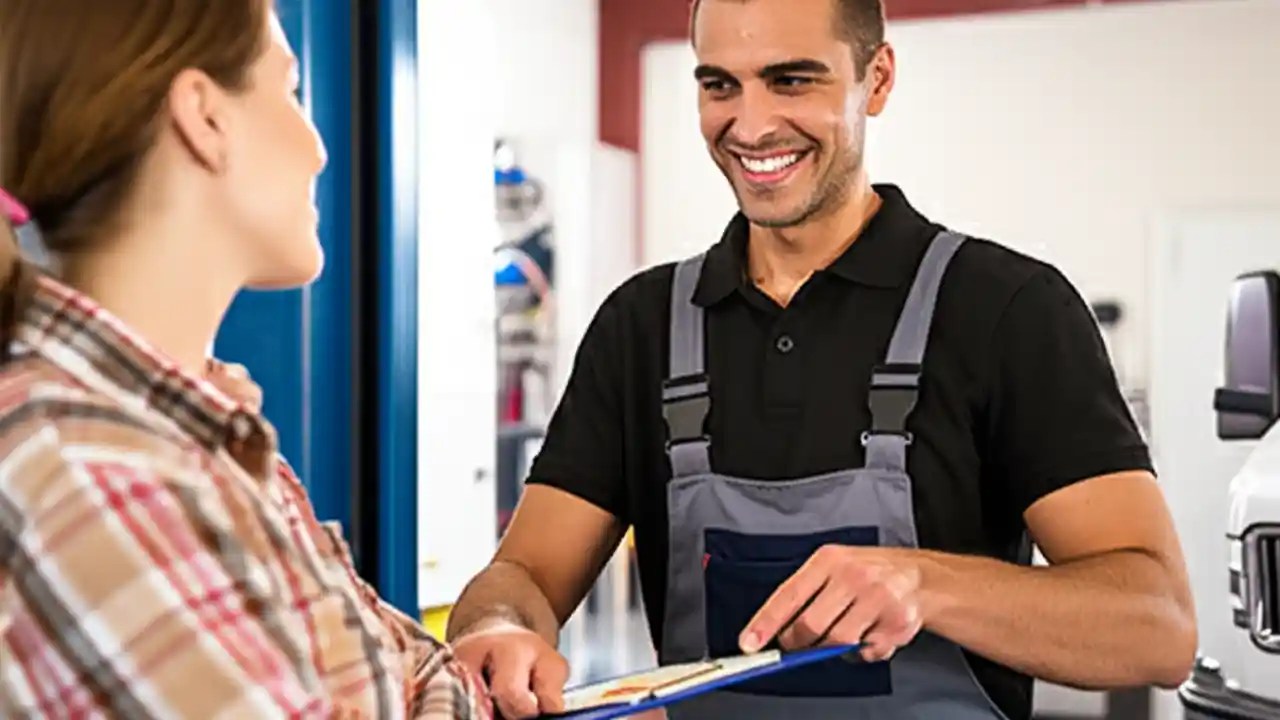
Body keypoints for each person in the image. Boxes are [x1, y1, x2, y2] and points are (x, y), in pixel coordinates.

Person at [447, 0, 1199, 718]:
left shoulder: (1007, 311)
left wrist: (925, 583)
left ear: (877, 79)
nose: (750, 124)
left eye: (791, 79)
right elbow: (525, 577)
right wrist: (497, 631)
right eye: (719, 85)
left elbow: (1157, 628)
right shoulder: (640, 328)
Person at [0, 2, 490, 718]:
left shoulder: (203, 438)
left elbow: (423, 666)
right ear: (204, 116)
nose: (318, 148)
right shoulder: (87, 473)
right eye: (288, 91)